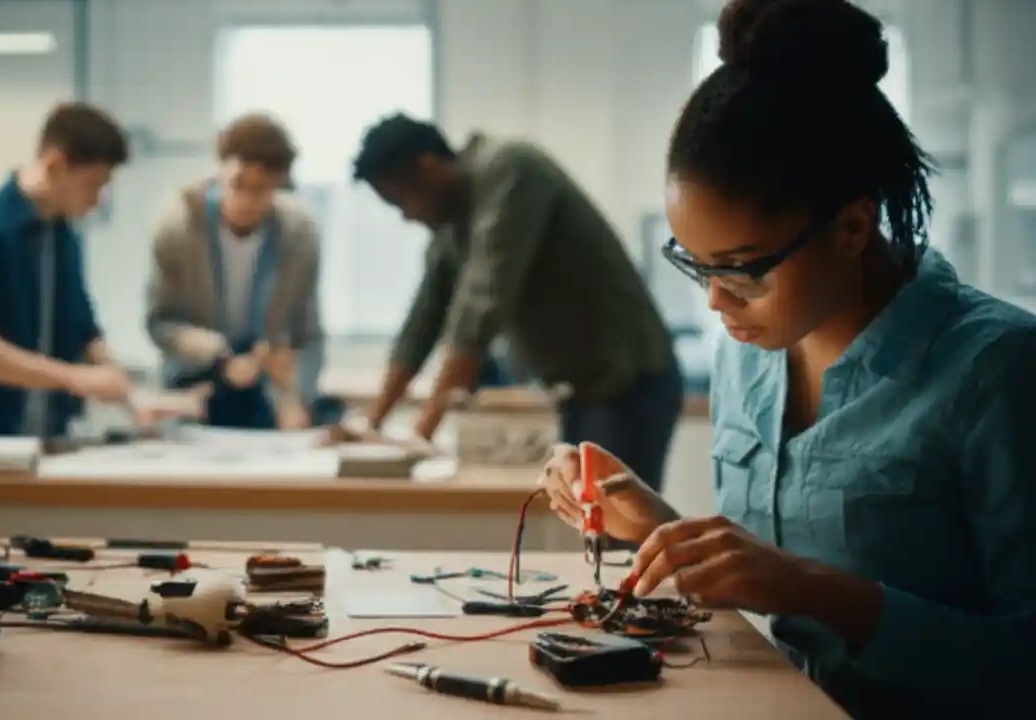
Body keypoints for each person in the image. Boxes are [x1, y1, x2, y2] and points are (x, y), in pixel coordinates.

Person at [539, 0, 1036, 716]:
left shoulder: (998, 372)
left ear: (853, 227)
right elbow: (769, 585)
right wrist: (660, 530)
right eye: (696, 265)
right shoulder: (749, 357)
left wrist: (819, 593)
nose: (717, 301)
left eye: (743, 269)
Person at [340, 114, 682, 492]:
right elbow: (424, 318)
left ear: (430, 168)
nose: (406, 215)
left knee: (615, 528)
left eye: (401, 199)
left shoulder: (510, 170)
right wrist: (371, 425)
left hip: (628, 382)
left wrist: (421, 433)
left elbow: (481, 304)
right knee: (588, 523)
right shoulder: (452, 220)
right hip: (581, 390)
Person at [0, 102, 137, 437]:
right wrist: (74, 378)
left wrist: (129, 394)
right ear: (55, 165)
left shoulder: (63, 234)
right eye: (93, 184)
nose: (97, 200)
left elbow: (83, 328)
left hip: (44, 440)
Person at [147, 113, 321, 430]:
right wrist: (218, 356)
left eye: (262, 189)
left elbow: (307, 332)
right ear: (220, 171)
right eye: (238, 184)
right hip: (194, 385)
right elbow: (160, 322)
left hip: (267, 393)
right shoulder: (177, 228)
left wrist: (297, 396)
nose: (247, 200)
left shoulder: (299, 236)